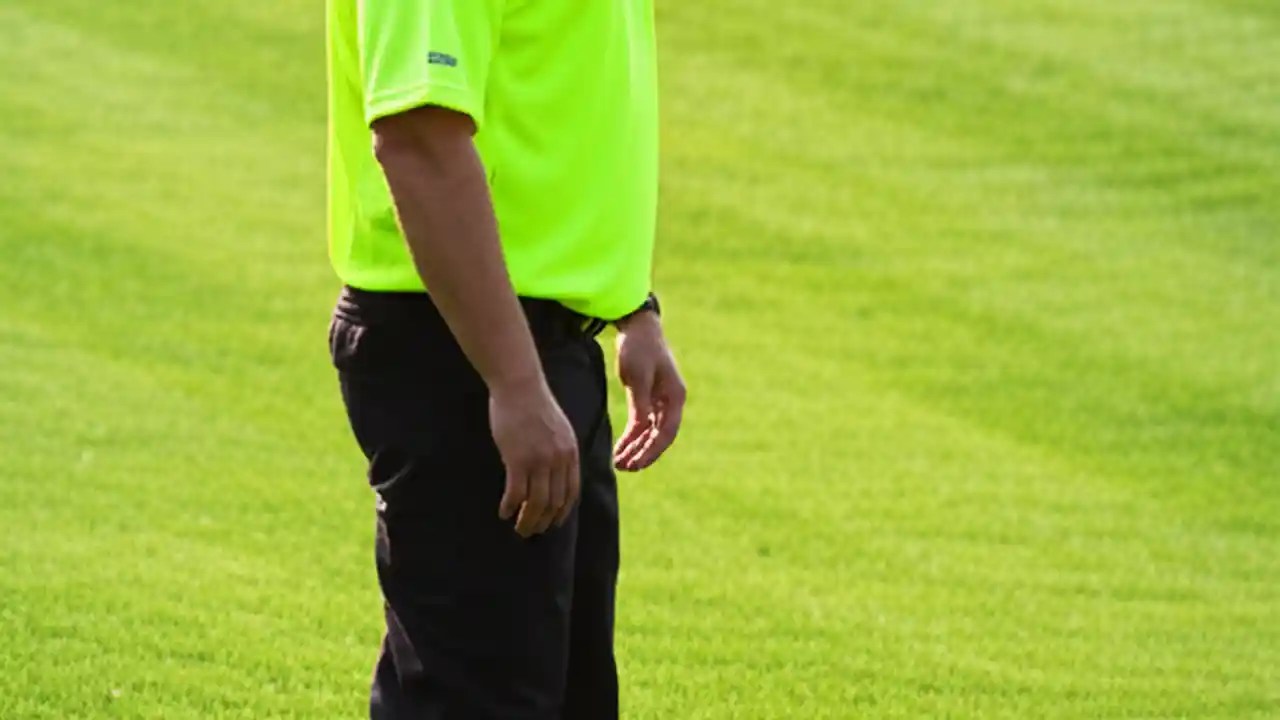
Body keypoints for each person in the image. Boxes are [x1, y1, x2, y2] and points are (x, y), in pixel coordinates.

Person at [325, 0, 687, 717]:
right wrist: (514, 382)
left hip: (537, 348)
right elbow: (418, 138)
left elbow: (562, 83)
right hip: (464, 348)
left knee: (563, 694)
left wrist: (627, 303)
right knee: (476, 701)